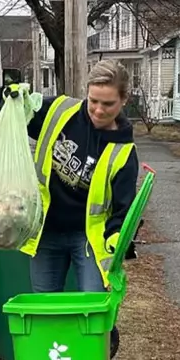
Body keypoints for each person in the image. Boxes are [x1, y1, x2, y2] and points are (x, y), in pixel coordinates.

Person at [22, 60, 139, 297]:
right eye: (93, 101)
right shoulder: (60, 111)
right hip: (47, 231)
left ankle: (106, 337)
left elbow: (123, 210)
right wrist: (13, 99)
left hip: (87, 239)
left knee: (92, 307)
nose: (98, 110)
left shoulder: (124, 153)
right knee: (46, 310)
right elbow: (24, 115)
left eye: (108, 104)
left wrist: (118, 238)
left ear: (124, 100)